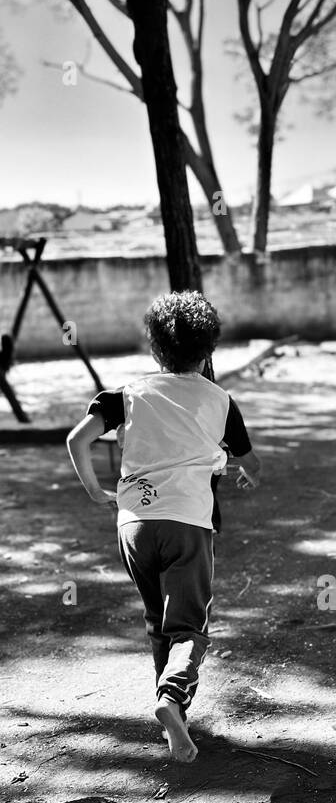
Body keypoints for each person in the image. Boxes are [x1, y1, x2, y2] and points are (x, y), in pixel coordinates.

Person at [67, 290, 261, 763]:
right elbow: (251, 463)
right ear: (208, 349)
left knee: (159, 622)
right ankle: (173, 698)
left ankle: (172, 711)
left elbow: (78, 440)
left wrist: (96, 491)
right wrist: (240, 470)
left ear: (154, 348)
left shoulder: (127, 395)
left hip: (133, 523)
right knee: (189, 626)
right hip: (188, 524)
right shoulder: (220, 401)